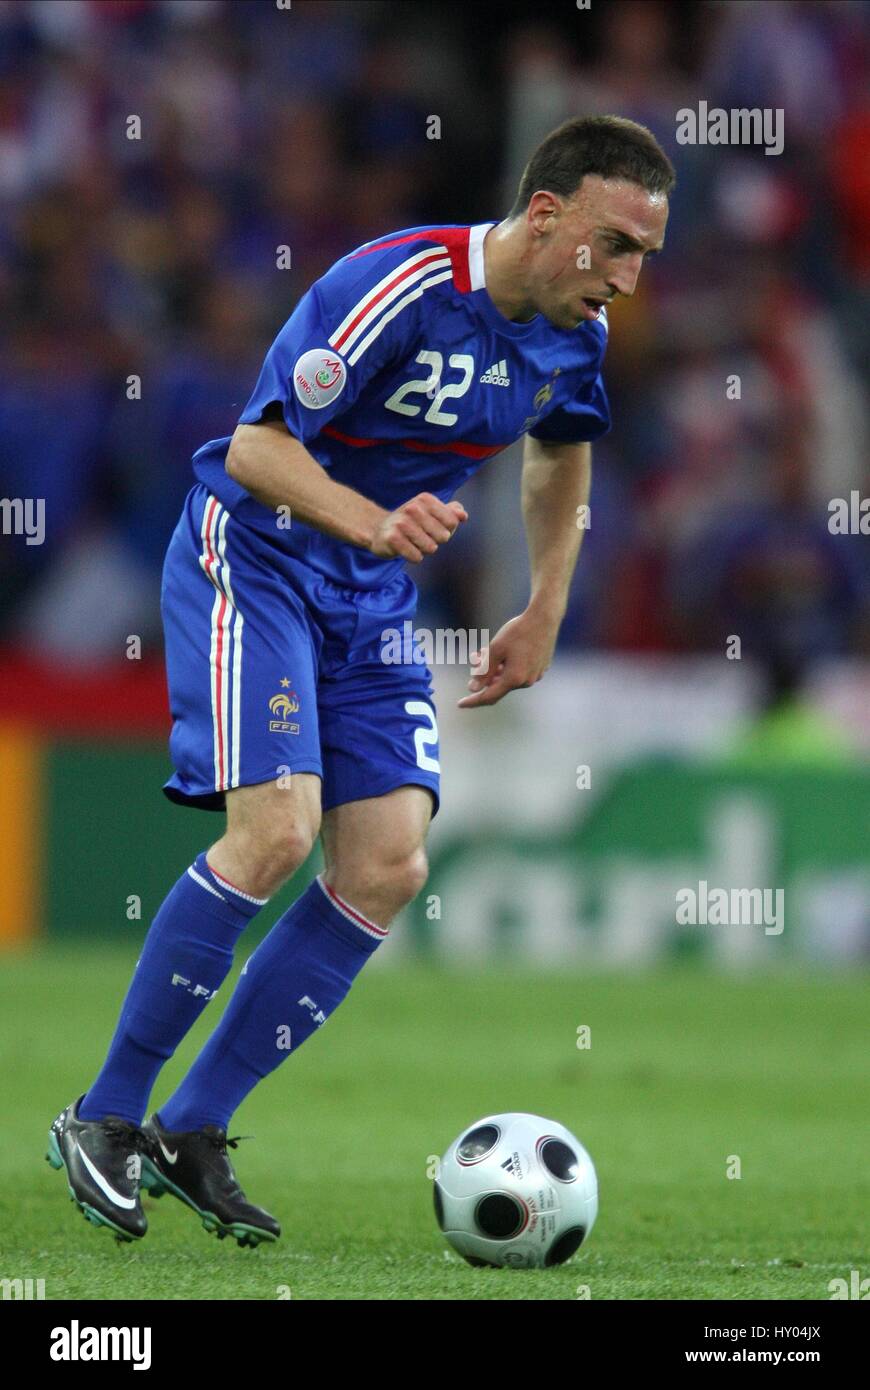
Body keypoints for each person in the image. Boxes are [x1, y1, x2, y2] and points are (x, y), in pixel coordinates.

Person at [47, 115, 673, 1244]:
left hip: (371, 599)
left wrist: (543, 605)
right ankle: (103, 1117)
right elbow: (255, 448)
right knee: (276, 833)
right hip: (259, 556)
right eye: (617, 245)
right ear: (546, 215)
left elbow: (561, 450)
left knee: (388, 863)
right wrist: (374, 520)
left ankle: (193, 1128)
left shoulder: (572, 338)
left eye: (645, 256)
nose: (629, 278)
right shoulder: (393, 284)